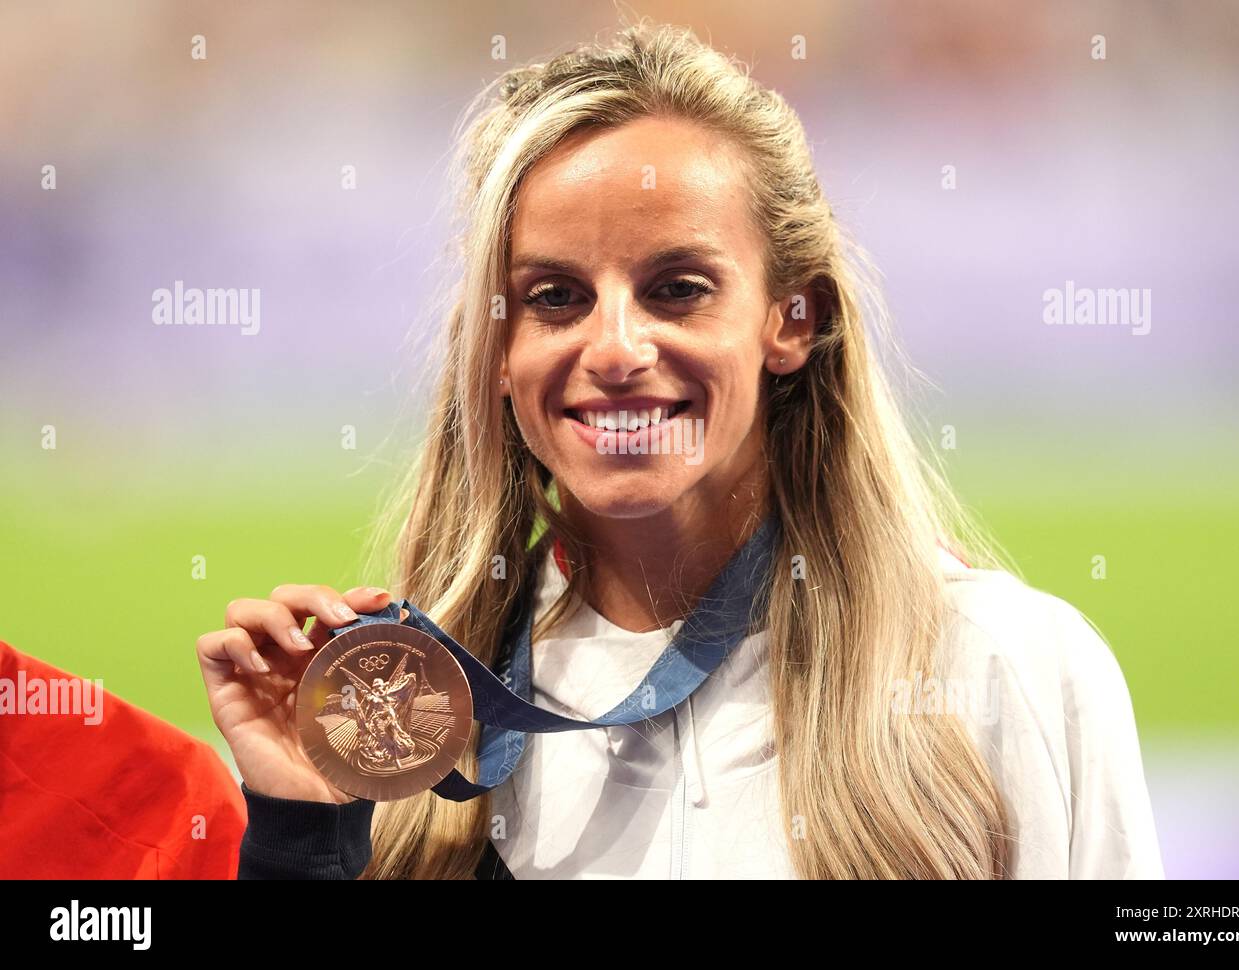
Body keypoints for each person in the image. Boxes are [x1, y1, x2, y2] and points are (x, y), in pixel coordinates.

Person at [195, 22, 1164, 880]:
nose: (614, 349)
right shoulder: (405, 717)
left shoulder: (1005, 665)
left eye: (677, 288)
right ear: (496, 350)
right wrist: (302, 838)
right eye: (554, 298)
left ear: (792, 320)